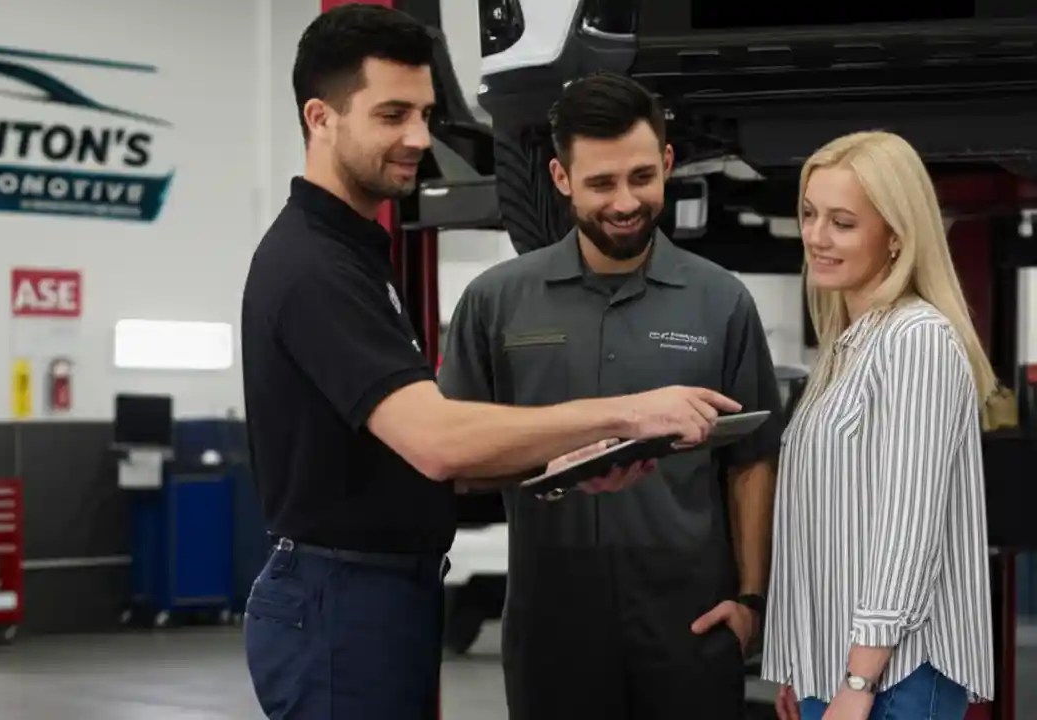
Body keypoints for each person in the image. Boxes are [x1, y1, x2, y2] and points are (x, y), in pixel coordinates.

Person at [238, 6, 742, 720]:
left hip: (374, 595)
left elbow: (441, 461)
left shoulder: (352, 253)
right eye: (391, 115)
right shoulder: (313, 268)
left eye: (424, 113)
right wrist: (629, 411)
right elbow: (439, 443)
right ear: (320, 118)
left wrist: (574, 457)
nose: (418, 137)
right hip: (340, 601)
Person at [438, 71, 785, 720]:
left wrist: (751, 601)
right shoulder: (497, 301)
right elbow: (454, 453)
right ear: (562, 178)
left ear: (668, 163)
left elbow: (752, 459)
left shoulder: (721, 300)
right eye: (600, 183)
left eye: (641, 177)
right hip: (551, 628)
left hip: (694, 625)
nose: (625, 202)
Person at [761, 131, 996, 720]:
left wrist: (859, 682)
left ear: (896, 235)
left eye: (843, 223)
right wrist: (804, 663)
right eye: (810, 215)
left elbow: (907, 528)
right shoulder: (847, 347)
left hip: (895, 675)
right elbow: (822, 523)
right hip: (839, 666)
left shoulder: (915, 340)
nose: (816, 237)